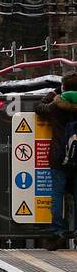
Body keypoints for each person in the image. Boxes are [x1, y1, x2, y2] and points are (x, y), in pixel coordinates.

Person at [36, 72, 77, 247]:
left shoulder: (56, 107)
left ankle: (57, 232)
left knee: (56, 195)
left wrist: (52, 94)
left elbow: (39, 108)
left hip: (59, 157)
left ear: (64, 88)